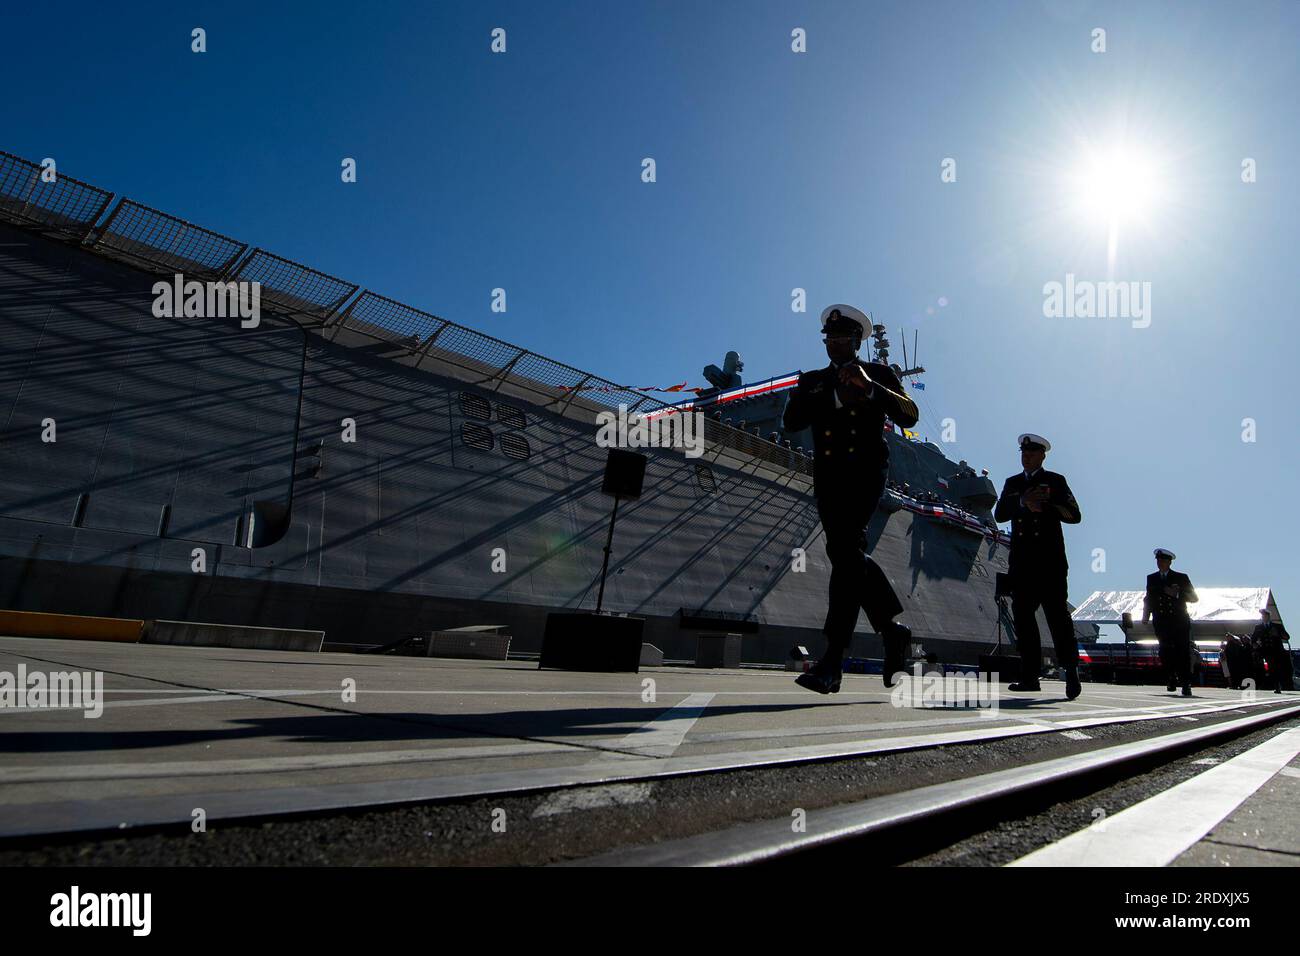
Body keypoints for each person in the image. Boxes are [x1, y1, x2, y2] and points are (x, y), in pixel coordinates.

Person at [783, 304, 918, 694]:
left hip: (865, 473)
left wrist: (871, 389)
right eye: (829, 338)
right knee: (846, 553)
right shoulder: (811, 381)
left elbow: (910, 415)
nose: (834, 344)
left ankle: (832, 662)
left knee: (844, 550)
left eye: (842, 338)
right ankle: (892, 631)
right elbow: (791, 422)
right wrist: (838, 398)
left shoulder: (879, 373)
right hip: (828, 476)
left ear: (857, 341)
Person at [994, 434, 1083, 699]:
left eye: (1032, 452)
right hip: (1022, 564)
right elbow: (1000, 515)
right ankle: (1030, 676)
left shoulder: (1055, 481)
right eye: (1023, 451)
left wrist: (1044, 506)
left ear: (1042, 455)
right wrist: (1022, 502)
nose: (1026, 455)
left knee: (1058, 617)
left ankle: (1071, 670)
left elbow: (1074, 515)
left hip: (1050, 562)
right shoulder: (1013, 483)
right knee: (1023, 619)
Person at [1141, 548, 1198, 696]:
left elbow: (1194, 598)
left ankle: (1186, 684)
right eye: (1158, 560)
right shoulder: (1151, 578)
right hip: (1161, 621)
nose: (1160, 563)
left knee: (1182, 652)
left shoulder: (1181, 577)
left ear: (1169, 562)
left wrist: (1177, 594)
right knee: (1165, 651)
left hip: (1179, 621)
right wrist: (1145, 615)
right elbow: (1149, 599)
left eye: (1163, 560)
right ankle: (1171, 676)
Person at [1252, 610, 1292, 693]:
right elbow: (1253, 639)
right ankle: (1276, 686)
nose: (1264, 617)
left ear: (1269, 617)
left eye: (1265, 616)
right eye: (1262, 616)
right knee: (1271, 668)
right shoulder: (1258, 627)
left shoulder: (1277, 626)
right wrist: (1255, 645)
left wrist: (1278, 634)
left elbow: (1287, 637)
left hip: (1277, 651)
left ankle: (1278, 685)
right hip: (1266, 652)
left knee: (1277, 668)